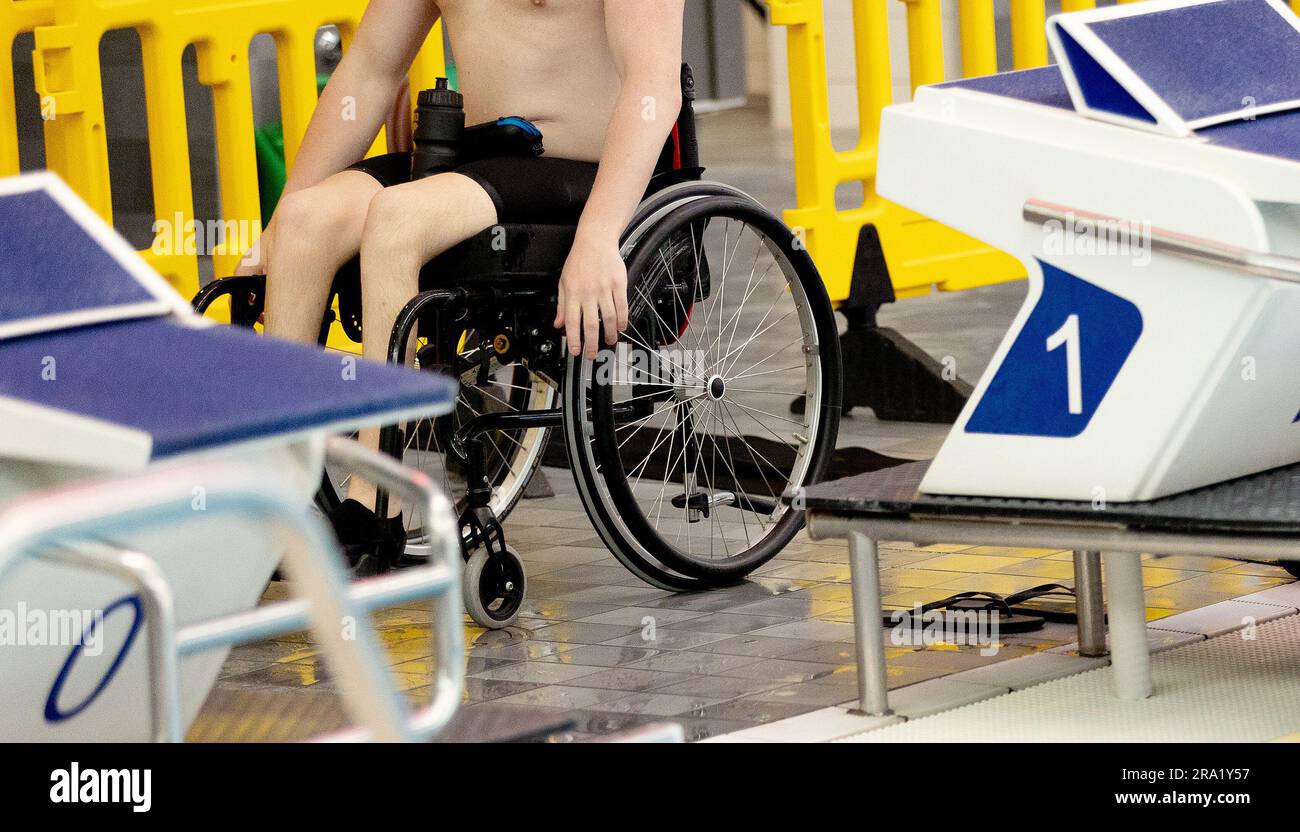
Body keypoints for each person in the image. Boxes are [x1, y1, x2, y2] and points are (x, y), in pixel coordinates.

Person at [237, 0, 686, 567]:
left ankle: (378, 503)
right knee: (304, 223)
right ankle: (279, 499)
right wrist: (276, 228)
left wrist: (598, 235)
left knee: (397, 220)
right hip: (480, 160)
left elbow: (655, 86)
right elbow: (370, 71)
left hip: (580, 168)